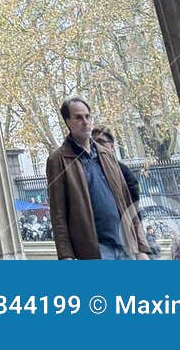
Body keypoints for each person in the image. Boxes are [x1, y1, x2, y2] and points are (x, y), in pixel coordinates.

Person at [46, 97, 151, 260]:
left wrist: (141, 247)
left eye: (88, 116)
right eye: (78, 117)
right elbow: (58, 212)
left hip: (125, 246)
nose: (85, 122)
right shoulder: (58, 159)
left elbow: (127, 200)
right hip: (94, 251)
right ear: (68, 122)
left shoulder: (107, 154)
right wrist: (66, 255)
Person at [92, 124, 149, 256]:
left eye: (100, 142)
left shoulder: (123, 171)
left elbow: (133, 207)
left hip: (125, 240)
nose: (96, 146)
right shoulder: (91, 170)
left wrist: (141, 247)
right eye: (93, 142)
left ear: (112, 146)